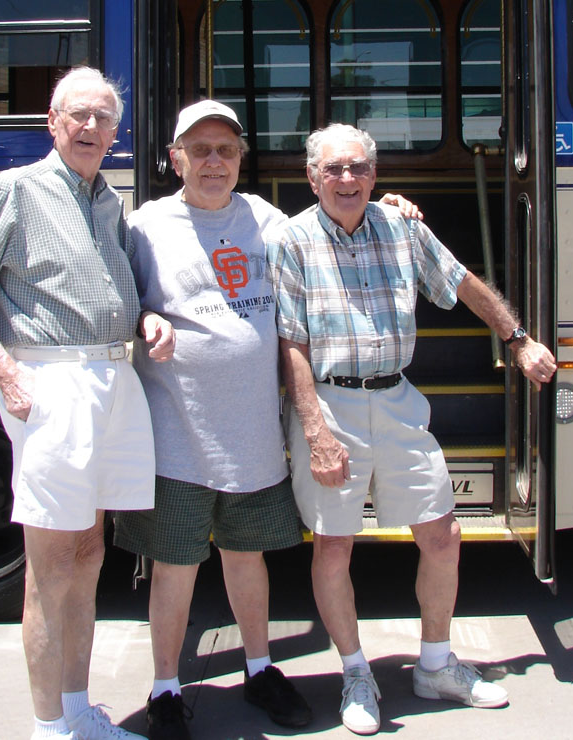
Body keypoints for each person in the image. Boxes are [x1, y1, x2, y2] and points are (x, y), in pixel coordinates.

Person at [114, 100, 421, 740]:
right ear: (176, 159)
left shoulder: (264, 218)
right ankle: (166, 688)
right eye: (199, 150)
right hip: (179, 431)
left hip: (252, 429)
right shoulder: (144, 226)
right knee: (175, 564)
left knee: (246, 556)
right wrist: (145, 320)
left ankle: (258, 670)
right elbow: (118, 301)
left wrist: (388, 208)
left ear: (240, 159)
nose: (214, 162)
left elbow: (332, 221)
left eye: (226, 150)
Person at [267, 123, 557, 736]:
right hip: (330, 402)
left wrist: (519, 338)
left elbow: (462, 283)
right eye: (334, 169)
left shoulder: (401, 226)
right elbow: (290, 344)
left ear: (374, 176)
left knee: (443, 535)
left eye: (358, 168)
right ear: (312, 177)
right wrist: (316, 432)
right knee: (335, 545)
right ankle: (355, 674)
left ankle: (434, 665)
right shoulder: (290, 241)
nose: (347, 179)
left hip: (397, 398)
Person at [0, 66, 175, 740]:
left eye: (104, 118)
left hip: (112, 383)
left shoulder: (109, 201)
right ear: (52, 122)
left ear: (115, 133)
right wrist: (8, 375)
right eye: (78, 115)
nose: (92, 128)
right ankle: (49, 726)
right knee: (48, 570)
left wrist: (145, 321)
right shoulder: (16, 191)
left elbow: (116, 291)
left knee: (87, 556)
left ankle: (79, 710)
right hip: (51, 387)